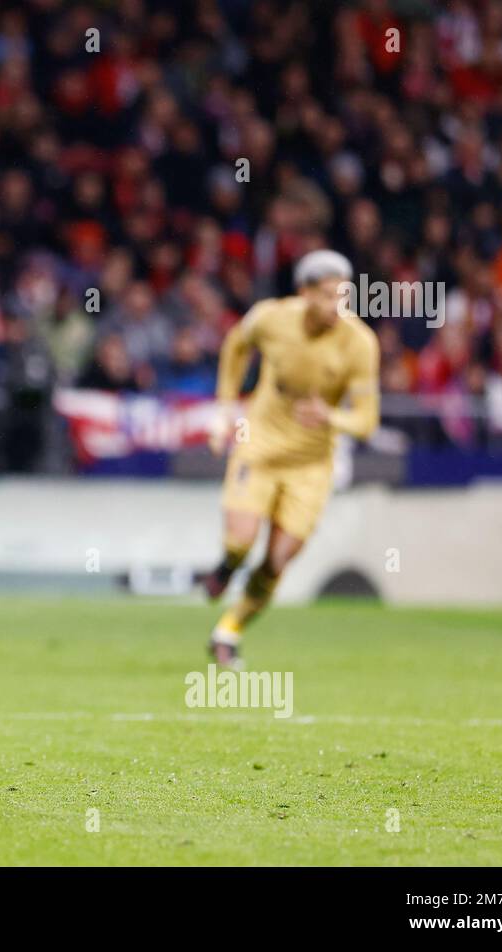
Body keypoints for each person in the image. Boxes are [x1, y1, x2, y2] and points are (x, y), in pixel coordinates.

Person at [202, 251, 380, 669]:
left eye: (345, 295)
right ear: (304, 293)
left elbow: (367, 421)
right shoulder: (270, 318)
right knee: (240, 540)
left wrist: (332, 416)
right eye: (327, 295)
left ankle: (228, 630)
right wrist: (225, 408)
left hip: (311, 465)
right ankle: (228, 564)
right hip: (259, 447)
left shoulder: (360, 343)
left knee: (278, 560)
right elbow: (236, 344)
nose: (338, 304)